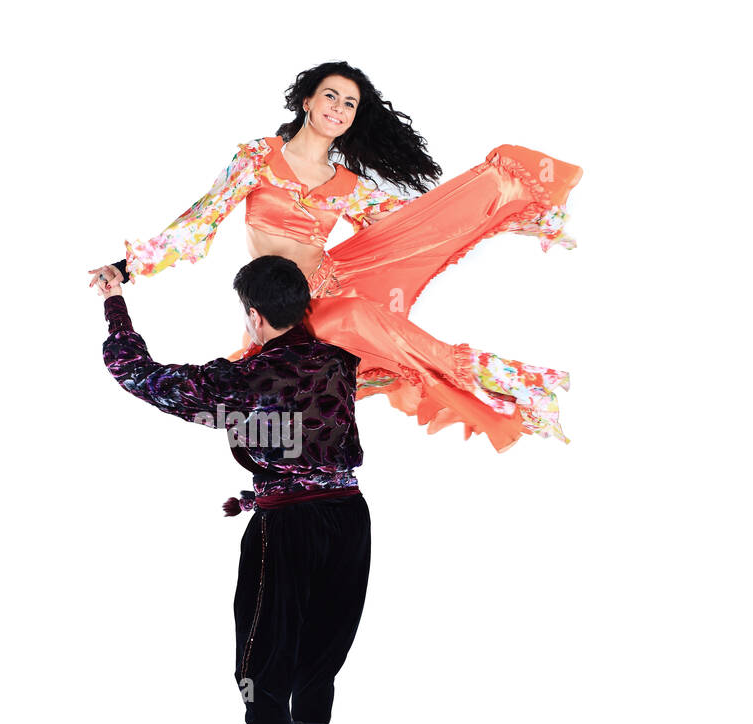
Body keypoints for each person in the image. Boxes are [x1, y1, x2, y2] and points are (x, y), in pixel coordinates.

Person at [88, 60, 582, 453]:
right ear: (307, 100)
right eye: (331, 95)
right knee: (271, 413)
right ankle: (288, 491)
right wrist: (127, 269)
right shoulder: (258, 157)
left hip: (329, 290)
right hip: (275, 309)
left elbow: (418, 223)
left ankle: (522, 390)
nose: (339, 108)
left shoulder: (347, 185)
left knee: (394, 341)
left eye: (350, 103)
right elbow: (202, 219)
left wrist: (500, 212)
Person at [98, 255, 371, 724]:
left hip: (288, 528)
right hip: (349, 520)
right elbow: (305, 440)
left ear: (253, 315)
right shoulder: (340, 364)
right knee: (316, 661)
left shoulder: (242, 380)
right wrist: (257, 490)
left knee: (260, 669)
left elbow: (138, 374)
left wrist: (114, 303)